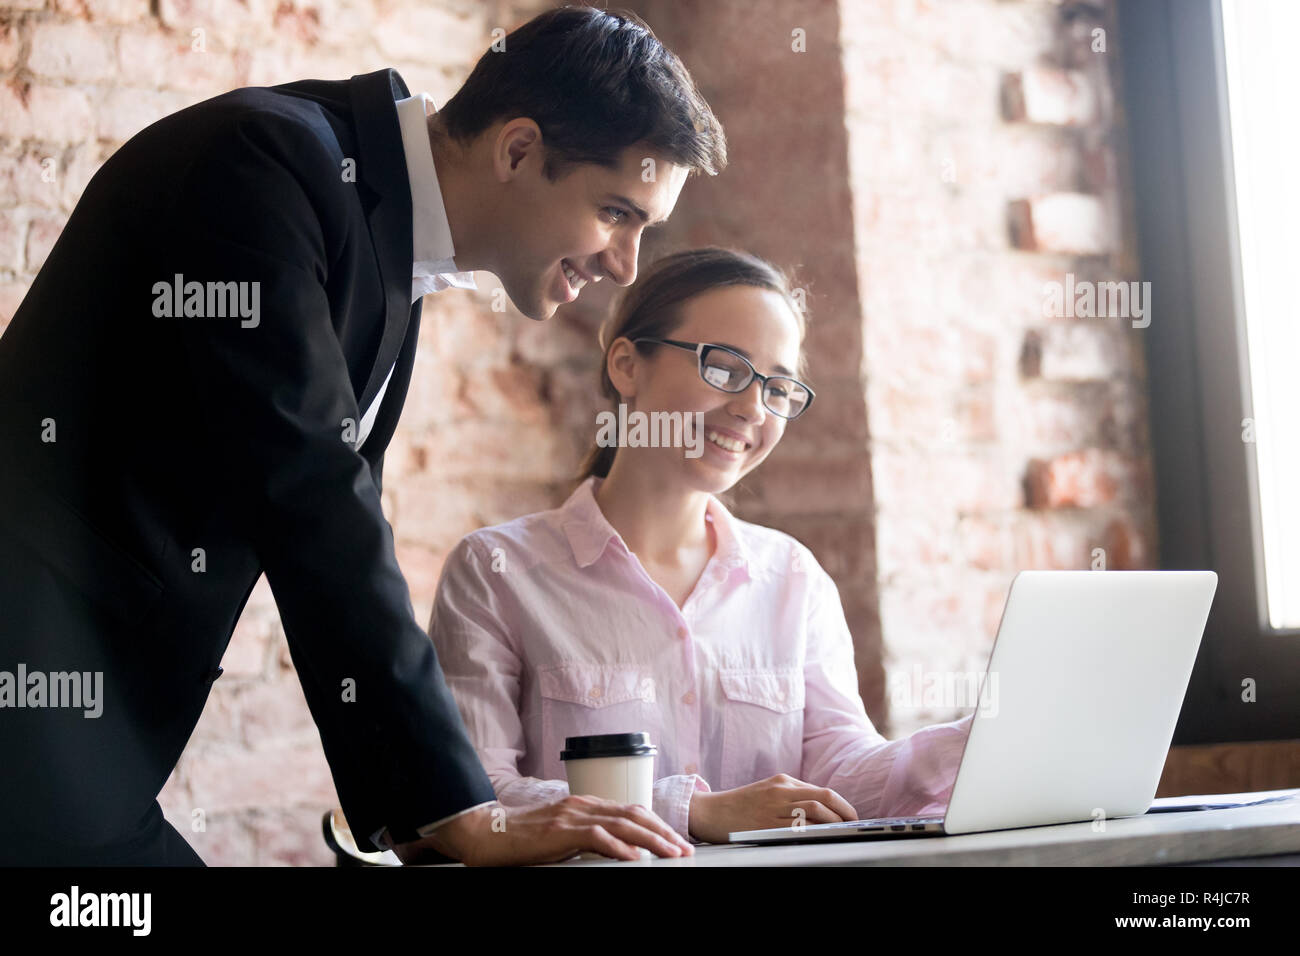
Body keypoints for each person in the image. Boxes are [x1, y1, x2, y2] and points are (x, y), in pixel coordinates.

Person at [0, 6, 724, 866]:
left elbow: (322, 506)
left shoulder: (386, 241)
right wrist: (454, 810)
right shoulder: (264, 164)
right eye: (616, 212)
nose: (625, 264)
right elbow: (311, 494)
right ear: (520, 150)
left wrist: (424, 816)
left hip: (89, 739)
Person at [427, 247, 974, 844]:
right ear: (627, 366)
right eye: (726, 369)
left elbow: (842, 774)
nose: (750, 408)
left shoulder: (792, 576)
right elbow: (477, 801)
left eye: (778, 387)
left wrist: (977, 741)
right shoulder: (496, 572)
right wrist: (694, 812)